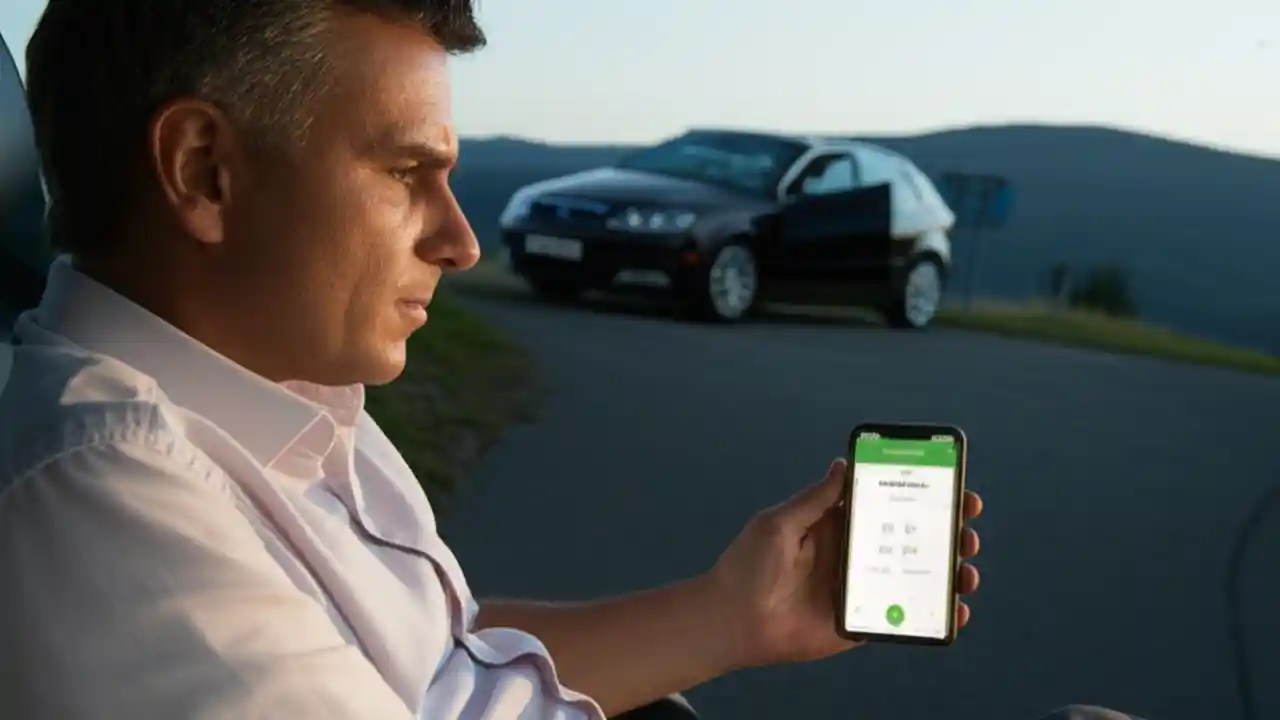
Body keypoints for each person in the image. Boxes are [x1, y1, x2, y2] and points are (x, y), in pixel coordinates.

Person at [0, 3, 1132, 719]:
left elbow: (436, 668)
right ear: (202, 170)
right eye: (405, 173)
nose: (460, 239)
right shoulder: (103, 488)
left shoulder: (277, 394)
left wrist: (733, 614)